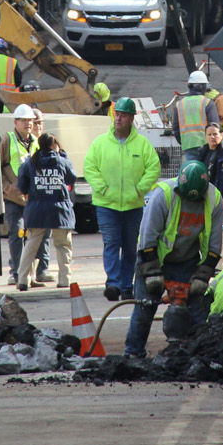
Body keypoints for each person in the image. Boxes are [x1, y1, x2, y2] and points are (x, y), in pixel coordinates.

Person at [125, 162, 223, 357]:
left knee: (198, 312)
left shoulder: (214, 198)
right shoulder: (163, 195)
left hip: (187, 260)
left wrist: (203, 274)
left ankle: (201, 355)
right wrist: (152, 271)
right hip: (154, 258)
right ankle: (132, 354)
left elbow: (214, 241)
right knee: (145, 308)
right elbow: (147, 236)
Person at [83, 97, 161, 301]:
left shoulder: (142, 145)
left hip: (133, 206)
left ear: (132, 118)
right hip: (106, 205)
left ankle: (127, 286)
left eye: (123, 115)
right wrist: (103, 188)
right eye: (117, 114)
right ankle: (113, 284)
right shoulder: (100, 143)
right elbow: (90, 168)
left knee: (129, 247)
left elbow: (153, 168)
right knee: (111, 243)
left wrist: (140, 189)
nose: (118, 118)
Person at [15, 132, 76, 290]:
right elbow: (71, 179)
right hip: (60, 210)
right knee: (63, 245)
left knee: (31, 244)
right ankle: (64, 279)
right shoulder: (62, 162)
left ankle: (22, 279)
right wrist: (65, 157)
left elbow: (21, 185)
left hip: (36, 210)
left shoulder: (29, 163)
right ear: (54, 145)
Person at [1, 105, 49, 286]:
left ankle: (30, 274)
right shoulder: (8, 140)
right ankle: (16, 273)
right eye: (24, 120)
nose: (28, 123)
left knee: (35, 235)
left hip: (33, 198)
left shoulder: (36, 141)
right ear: (16, 122)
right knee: (17, 233)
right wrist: (7, 188)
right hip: (14, 198)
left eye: (30, 120)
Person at [188, 120, 223, 210]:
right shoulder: (203, 152)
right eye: (209, 135)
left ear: (221, 135)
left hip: (222, 200)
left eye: (215, 134)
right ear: (205, 136)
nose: (212, 137)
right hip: (205, 199)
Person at [172, 70, 220, 150]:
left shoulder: (180, 104)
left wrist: (184, 142)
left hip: (188, 145)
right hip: (206, 146)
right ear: (202, 86)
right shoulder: (207, 102)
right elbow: (214, 126)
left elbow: (176, 128)